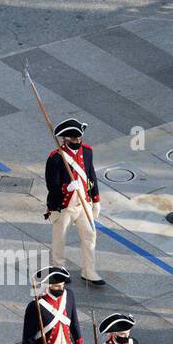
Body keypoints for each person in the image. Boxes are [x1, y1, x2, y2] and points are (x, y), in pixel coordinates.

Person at [44, 118, 104, 286]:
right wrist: (67, 188)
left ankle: (89, 270)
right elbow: (51, 185)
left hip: (83, 204)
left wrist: (96, 199)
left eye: (79, 138)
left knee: (90, 236)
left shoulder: (87, 151)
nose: (78, 141)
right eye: (74, 138)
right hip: (63, 206)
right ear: (65, 139)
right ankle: (59, 269)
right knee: (59, 239)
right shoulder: (55, 158)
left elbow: (91, 175)